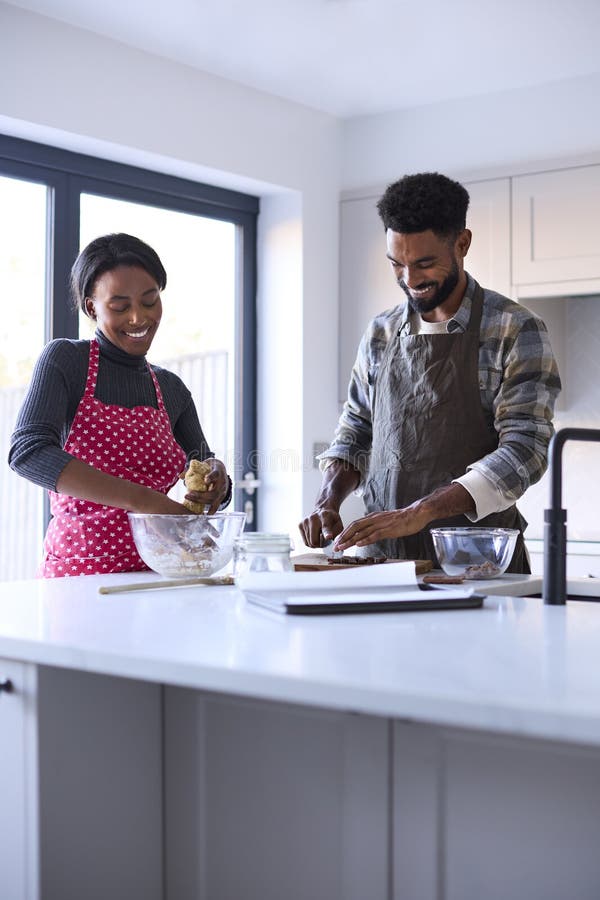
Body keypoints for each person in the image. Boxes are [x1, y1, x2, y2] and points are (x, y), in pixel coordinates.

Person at [299, 172, 561, 572]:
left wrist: (420, 512)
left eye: (424, 264)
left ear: (462, 243)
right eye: (396, 264)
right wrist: (328, 500)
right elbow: (355, 433)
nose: (410, 279)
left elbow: (524, 451)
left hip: (478, 564)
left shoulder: (514, 328)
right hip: (384, 563)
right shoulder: (381, 333)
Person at [9, 233, 231, 577]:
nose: (137, 318)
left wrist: (218, 478)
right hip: (78, 580)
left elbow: (201, 465)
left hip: (156, 575)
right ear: (91, 307)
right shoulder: (67, 361)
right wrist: (148, 503)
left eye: (149, 300)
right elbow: (28, 452)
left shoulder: (171, 389)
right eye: (120, 306)